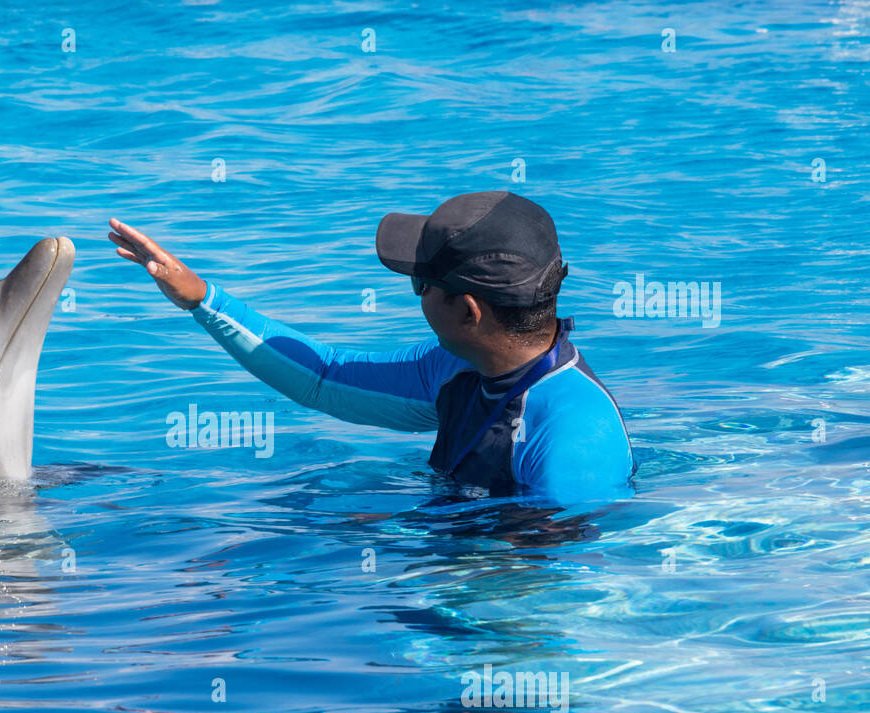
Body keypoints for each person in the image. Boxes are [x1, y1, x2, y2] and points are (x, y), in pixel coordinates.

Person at [108, 191, 634, 502]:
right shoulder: (459, 367)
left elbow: (551, 595)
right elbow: (324, 378)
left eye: (419, 284)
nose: (415, 296)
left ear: (468, 311)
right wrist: (202, 299)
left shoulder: (570, 440)